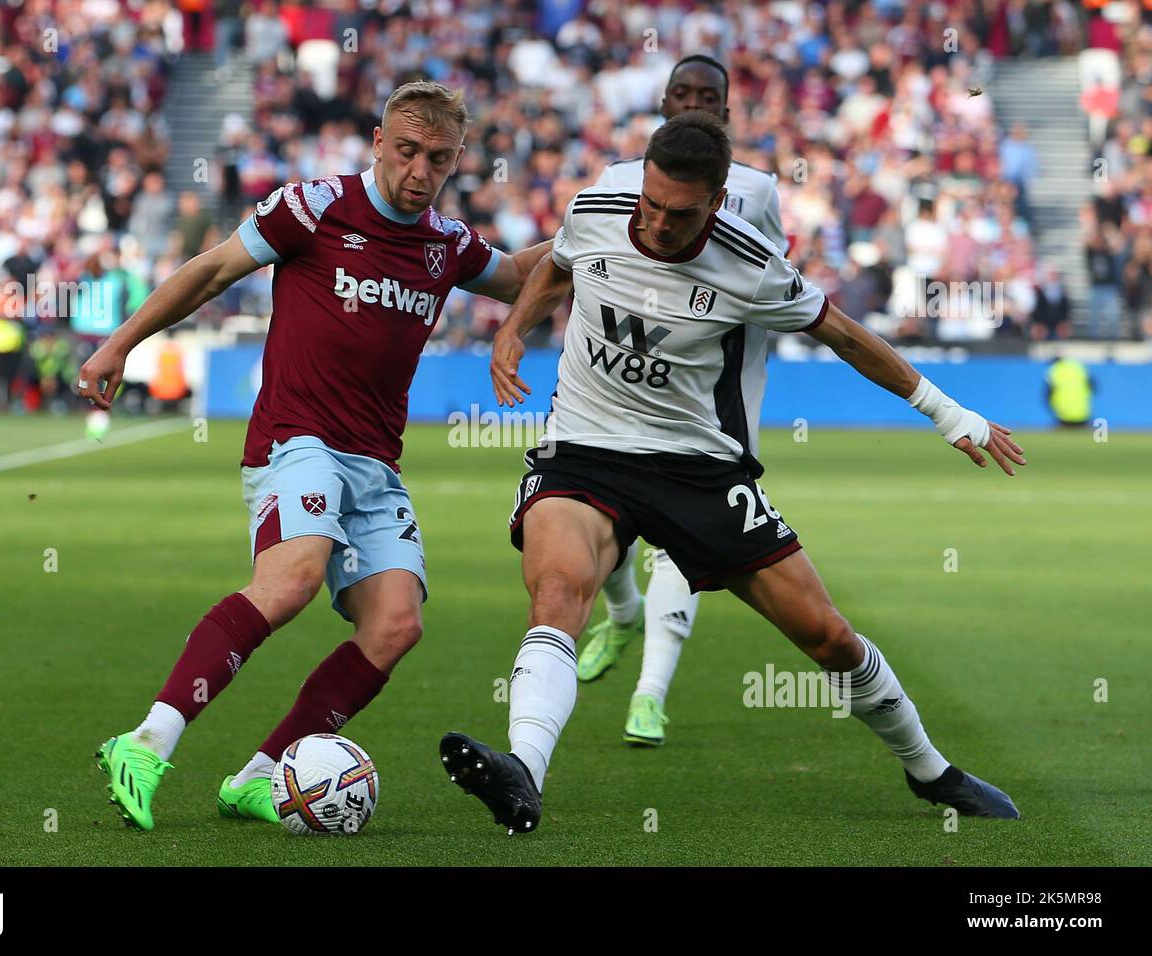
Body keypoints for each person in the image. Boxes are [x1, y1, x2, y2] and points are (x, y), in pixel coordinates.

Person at [440, 112, 1026, 835]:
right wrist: (510, 329)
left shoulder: (750, 264)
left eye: (678, 214)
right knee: (558, 589)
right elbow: (558, 266)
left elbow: (844, 335)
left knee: (828, 637)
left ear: (716, 203)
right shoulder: (595, 209)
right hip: (586, 449)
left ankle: (932, 770)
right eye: (649, 203)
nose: (655, 224)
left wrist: (945, 411)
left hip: (699, 469)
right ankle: (523, 770)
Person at [78, 81, 550, 831]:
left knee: (396, 624)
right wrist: (118, 344)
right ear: (376, 141)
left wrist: (603, 228)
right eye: (405, 151)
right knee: (291, 581)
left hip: (374, 462)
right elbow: (210, 271)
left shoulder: (447, 245)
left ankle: (259, 778)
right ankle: (145, 742)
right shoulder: (313, 207)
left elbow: (525, 277)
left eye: (438, 158)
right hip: (295, 438)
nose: (418, 171)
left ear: (457, 161)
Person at [576, 53, 792, 747]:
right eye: (683, 92)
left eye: (709, 95)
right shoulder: (614, 182)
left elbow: (771, 286)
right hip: (614, 385)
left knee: (680, 540)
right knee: (597, 530)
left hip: (709, 394)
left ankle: (650, 695)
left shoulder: (755, 191)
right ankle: (625, 613)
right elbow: (575, 263)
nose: (695, 102)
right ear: (662, 99)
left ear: (727, 111)